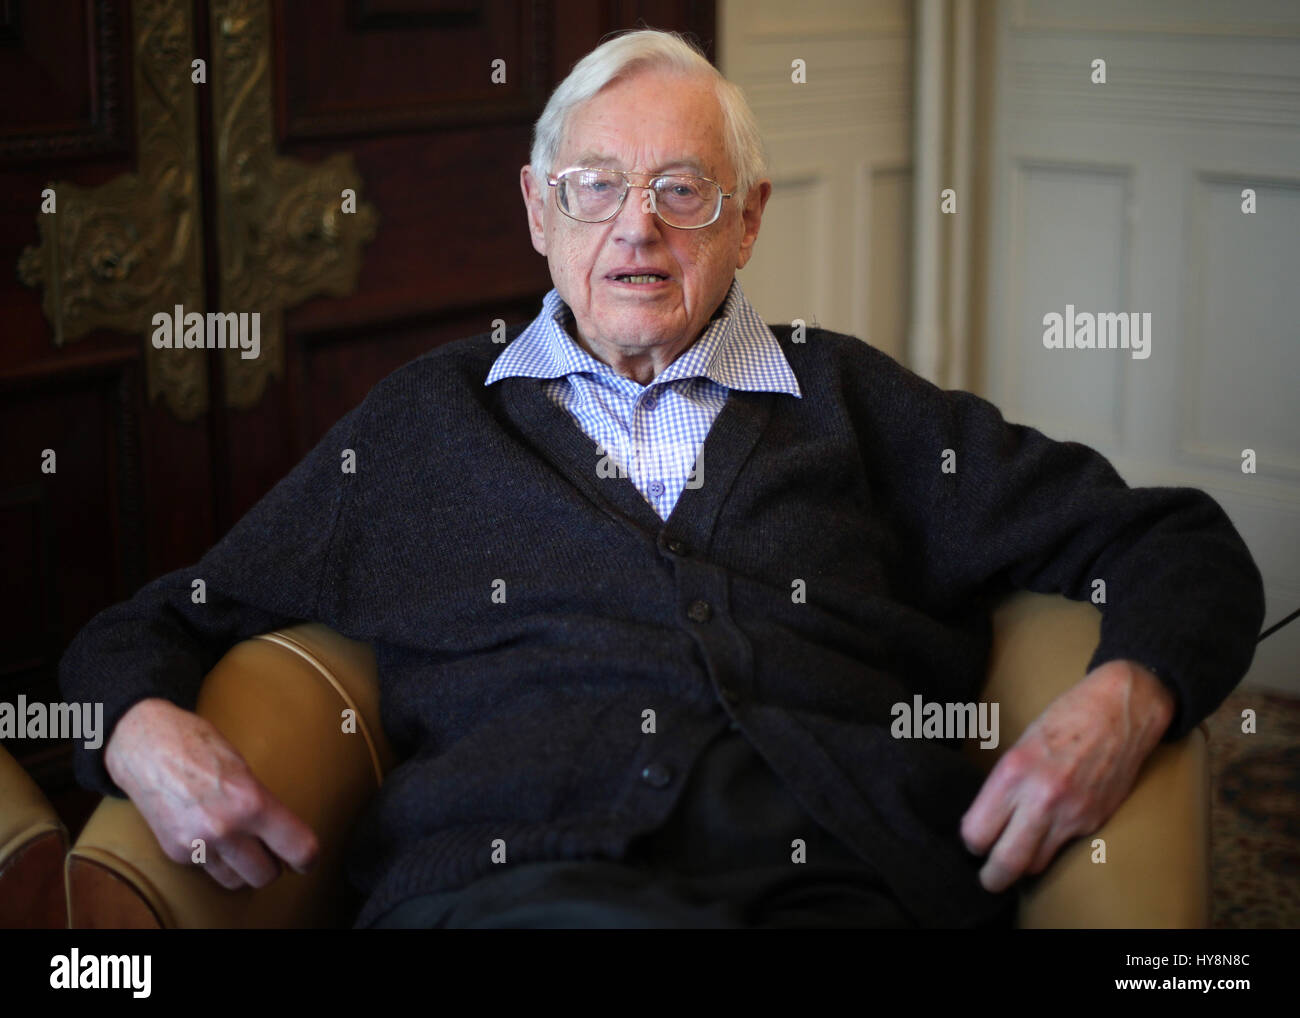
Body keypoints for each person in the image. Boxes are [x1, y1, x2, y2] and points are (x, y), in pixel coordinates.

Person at [59, 29, 1265, 929]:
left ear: (746, 222)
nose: (636, 228)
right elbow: (160, 621)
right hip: (509, 883)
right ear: (540, 211)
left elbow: (1175, 542)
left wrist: (1125, 697)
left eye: (682, 190)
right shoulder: (425, 424)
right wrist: (139, 731)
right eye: (596, 186)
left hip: (832, 873)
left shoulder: (851, 404)